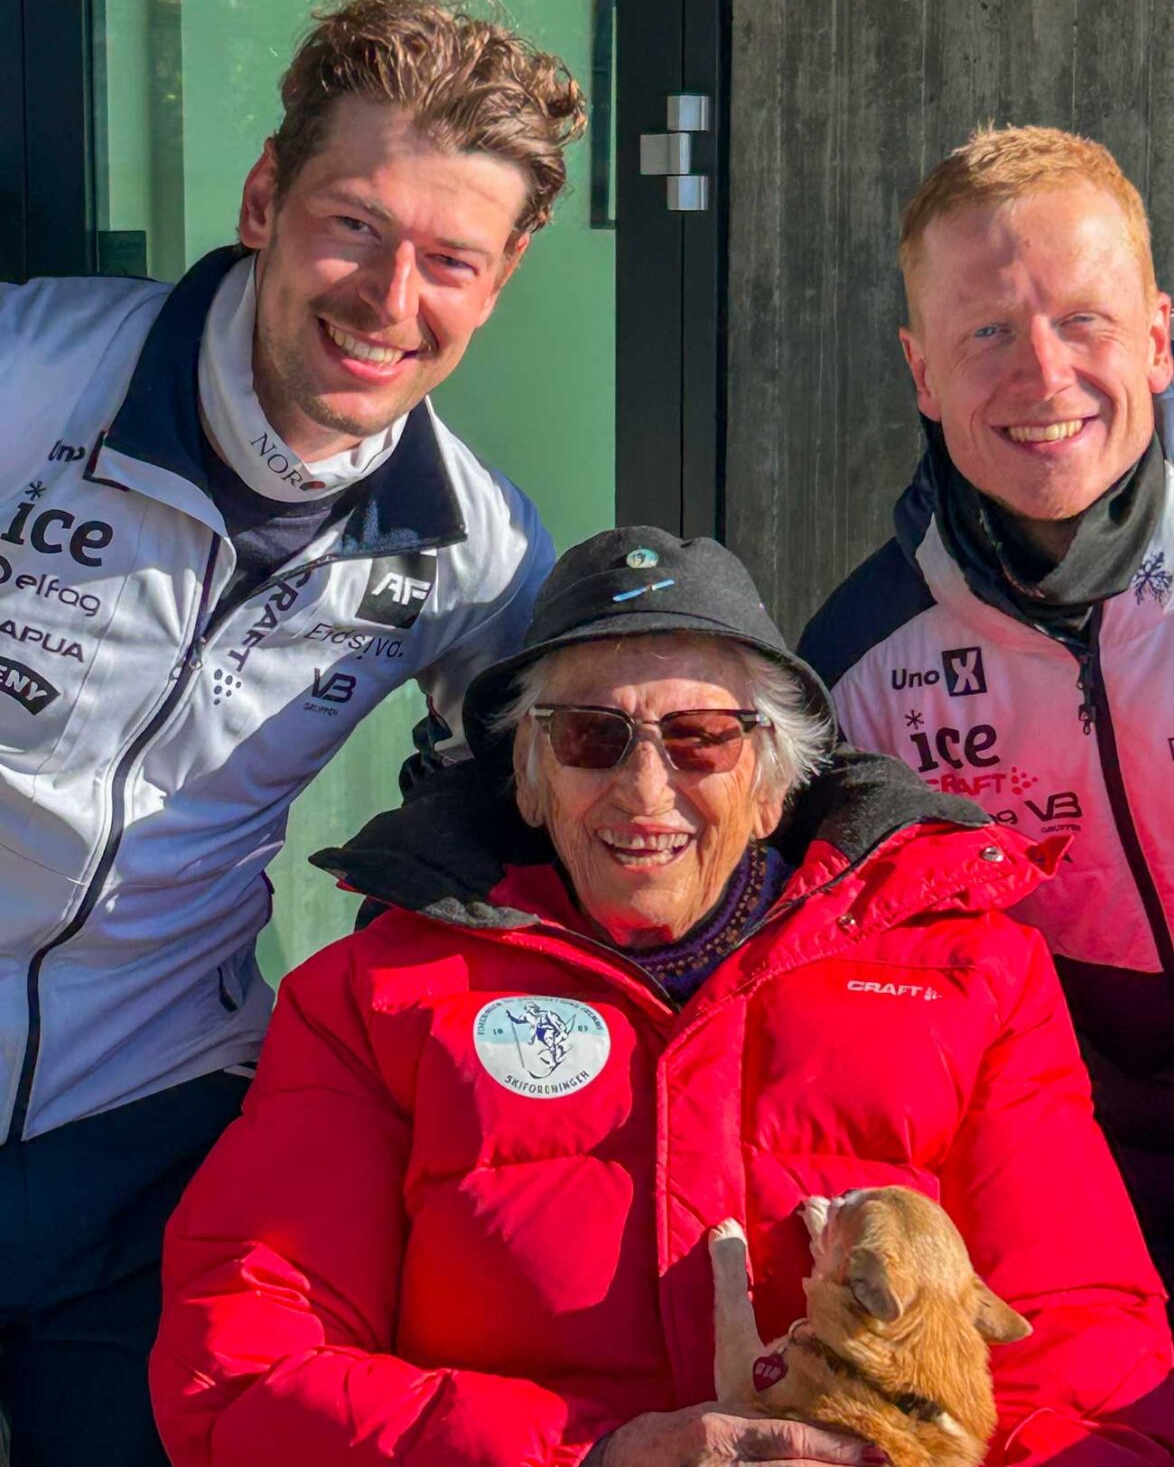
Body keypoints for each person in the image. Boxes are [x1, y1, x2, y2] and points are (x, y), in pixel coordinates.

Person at [150, 526, 1171, 1467]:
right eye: (590, 737)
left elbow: (1089, 1369)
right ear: (529, 778)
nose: (645, 790)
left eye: (700, 737)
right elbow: (241, 1370)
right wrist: (589, 1456)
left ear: (771, 782)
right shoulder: (373, 1002)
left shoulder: (974, 982)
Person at [0, 0, 585, 1465]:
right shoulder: (22, 377)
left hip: (150, 1134)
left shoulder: (472, 551)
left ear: (501, 280)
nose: (391, 299)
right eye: (353, 226)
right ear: (264, 199)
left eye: (450, 259)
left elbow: (584, 776)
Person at [798, 123, 1174, 1296]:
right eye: (988, 332)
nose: (1042, 375)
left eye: (1082, 320)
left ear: (1158, 339)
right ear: (921, 372)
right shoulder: (856, 663)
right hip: (1055, 1154)